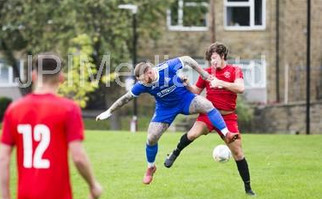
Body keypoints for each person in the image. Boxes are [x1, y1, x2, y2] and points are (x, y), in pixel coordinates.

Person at [0, 53, 103, 199]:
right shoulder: (68, 109)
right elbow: (78, 156)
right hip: (55, 198)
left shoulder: (14, 109)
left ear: (34, 75)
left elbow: (3, 158)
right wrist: (93, 185)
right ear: (61, 79)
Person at [96, 56, 239, 185]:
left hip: (185, 100)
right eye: (140, 81)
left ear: (149, 72)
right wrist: (108, 112)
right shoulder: (142, 84)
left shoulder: (167, 67)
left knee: (207, 105)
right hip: (165, 109)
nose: (142, 83)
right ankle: (150, 167)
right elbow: (125, 98)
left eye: (143, 79)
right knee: (151, 138)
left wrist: (204, 74)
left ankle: (226, 133)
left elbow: (188, 60)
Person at [164, 42, 256, 196]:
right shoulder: (206, 73)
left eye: (214, 58)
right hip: (209, 114)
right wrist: (187, 85)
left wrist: (220, 83)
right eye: (210, 59)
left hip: (228, 118)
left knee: (238, 153)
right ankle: (175, 153)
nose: (212, 62)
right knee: (192, 134)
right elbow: (196, 91)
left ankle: (248, 188)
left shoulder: (235, 70)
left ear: (222, 55)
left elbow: (240, 88)